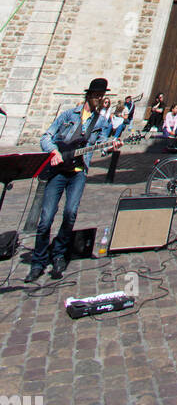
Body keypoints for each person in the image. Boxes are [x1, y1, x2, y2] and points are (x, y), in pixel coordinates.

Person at [26, 78, 120, 282]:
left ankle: (59, 254)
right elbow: (46, 136)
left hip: (78, 172)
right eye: (96, 96)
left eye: (102, 96)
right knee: (46, 219)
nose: (99, 99)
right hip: (58, 171)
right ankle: (38, 261)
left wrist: (111, 146)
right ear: (89, 96)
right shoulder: (68, 115)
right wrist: (53, 152)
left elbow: (101, 144)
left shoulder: (101, 122)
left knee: (70, 213)